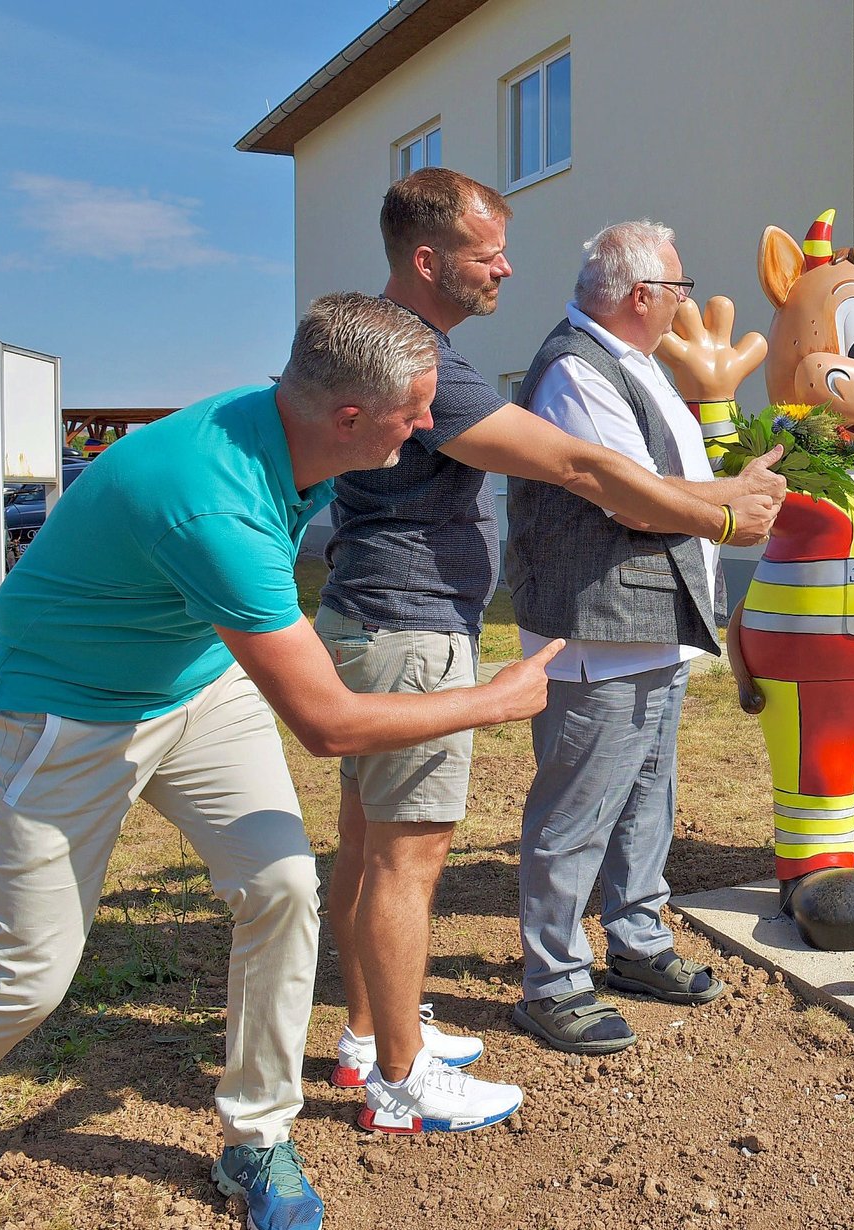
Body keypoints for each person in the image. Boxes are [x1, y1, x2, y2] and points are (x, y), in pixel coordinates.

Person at [0, 294, 564, 1230]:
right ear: (348, 418)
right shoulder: (213, 501)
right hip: (67, 711)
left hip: (194, 685)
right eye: (415, 411)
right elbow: (328, 724)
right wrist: (495, 701)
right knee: (28, 971)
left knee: (284, 887)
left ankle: (257, 1138)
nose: (429, 427)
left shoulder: (296, 436)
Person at [314, 170, 783, 1136]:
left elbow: (641, 471)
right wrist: (722, 514)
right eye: (489, 251)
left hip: (434, 615)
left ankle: (379, 1038)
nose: (507, 266)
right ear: (428, 258)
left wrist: (712, 490)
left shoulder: (435, 353)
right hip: (443, 620)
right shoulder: (459, 365)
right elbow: (591, 472)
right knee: (425, 847)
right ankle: (433, 1051)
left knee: (395, 842)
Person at [505, 221, 764, 1053]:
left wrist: (738, 486)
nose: (688, 303)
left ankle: (639, 942)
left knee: (647, 802)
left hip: (649, 628)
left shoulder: (631, 366)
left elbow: (664, 482)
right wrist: (732, 509)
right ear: (643, 296)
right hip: (601, 631)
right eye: (681, 288)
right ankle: (552, 981)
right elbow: (631, 495)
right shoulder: (578, 371)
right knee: (576, 812)